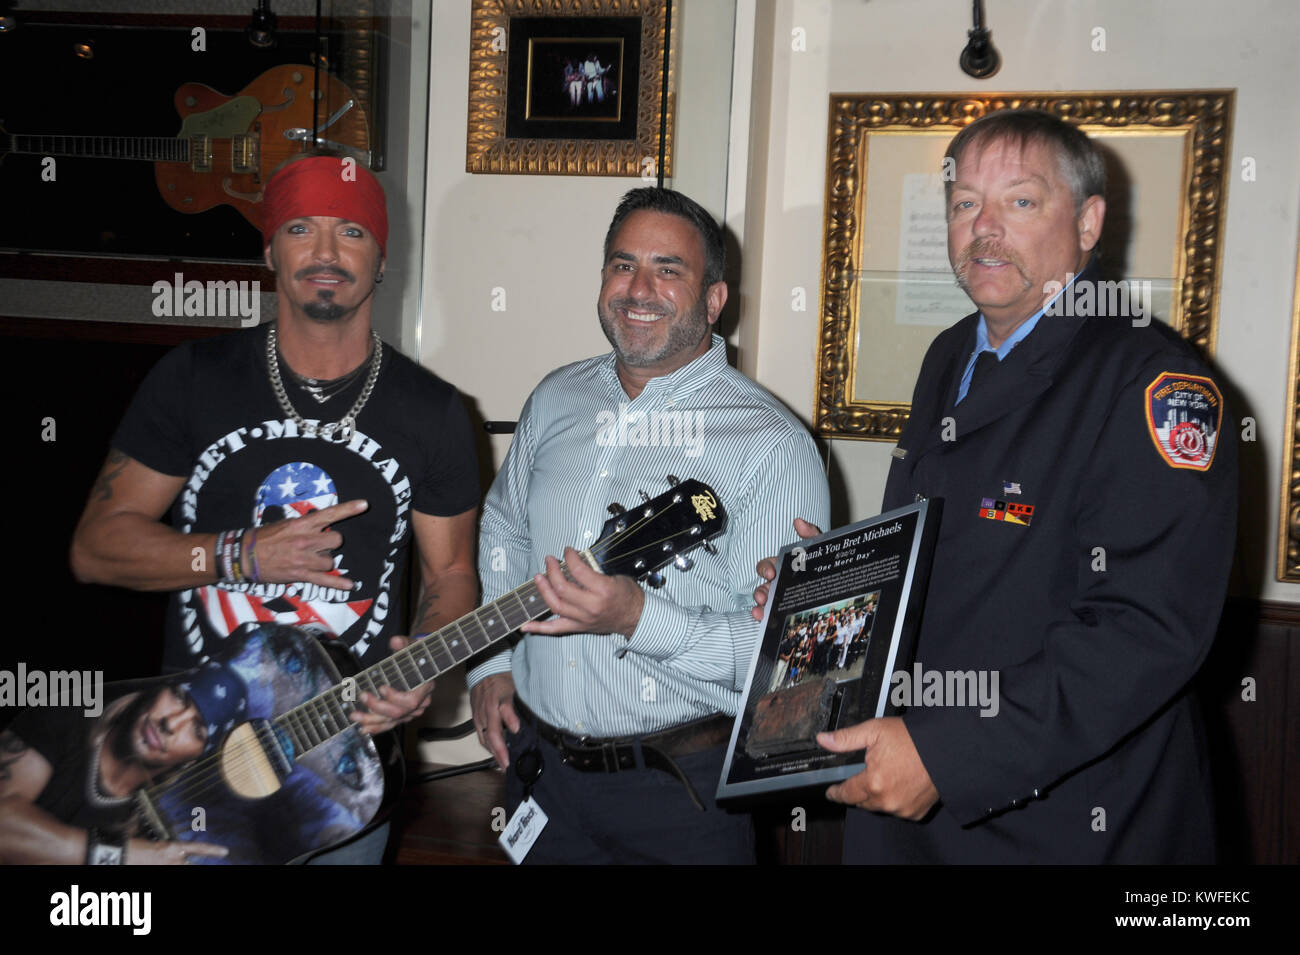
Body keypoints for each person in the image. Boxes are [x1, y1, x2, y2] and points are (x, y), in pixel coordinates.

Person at [754, 109, 1236, 863]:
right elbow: (957, 555)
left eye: (1019, 200)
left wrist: (949, 753)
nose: (983, 227)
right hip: (912, 799)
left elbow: (1144, 632)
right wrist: (832, 594)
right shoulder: (951, 354)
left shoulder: (1150, 379)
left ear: (1087, 222)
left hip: (1061, 820)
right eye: (963, 203)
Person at [70, 154, 480, 863]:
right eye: (300, 228)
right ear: (269, 251)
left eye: (351, 231)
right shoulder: (193, 380)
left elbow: (452, 576)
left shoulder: (435, 412)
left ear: (382, 258)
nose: (325, 253)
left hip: (343, 775)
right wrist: (241, 552)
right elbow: (96, 546)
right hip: (192, 774)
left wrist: (422, 669)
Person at [468, 187, 830, 864]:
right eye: (621, 264)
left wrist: (637, 615)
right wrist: (491, 661)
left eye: (668, 269)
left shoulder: (771, 444)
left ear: (714, 299)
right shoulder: (555, 398)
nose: (638, 288)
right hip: (538, 776)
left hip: (678, 798)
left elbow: (780, 662)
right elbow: (504, 528)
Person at [0, 662, 245, 864]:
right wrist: (119, 854)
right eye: (179, 696)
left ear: (196, 758)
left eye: (197, 730)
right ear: (158, 689)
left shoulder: (144, 826)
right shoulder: (66, 714)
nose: (171, 723)